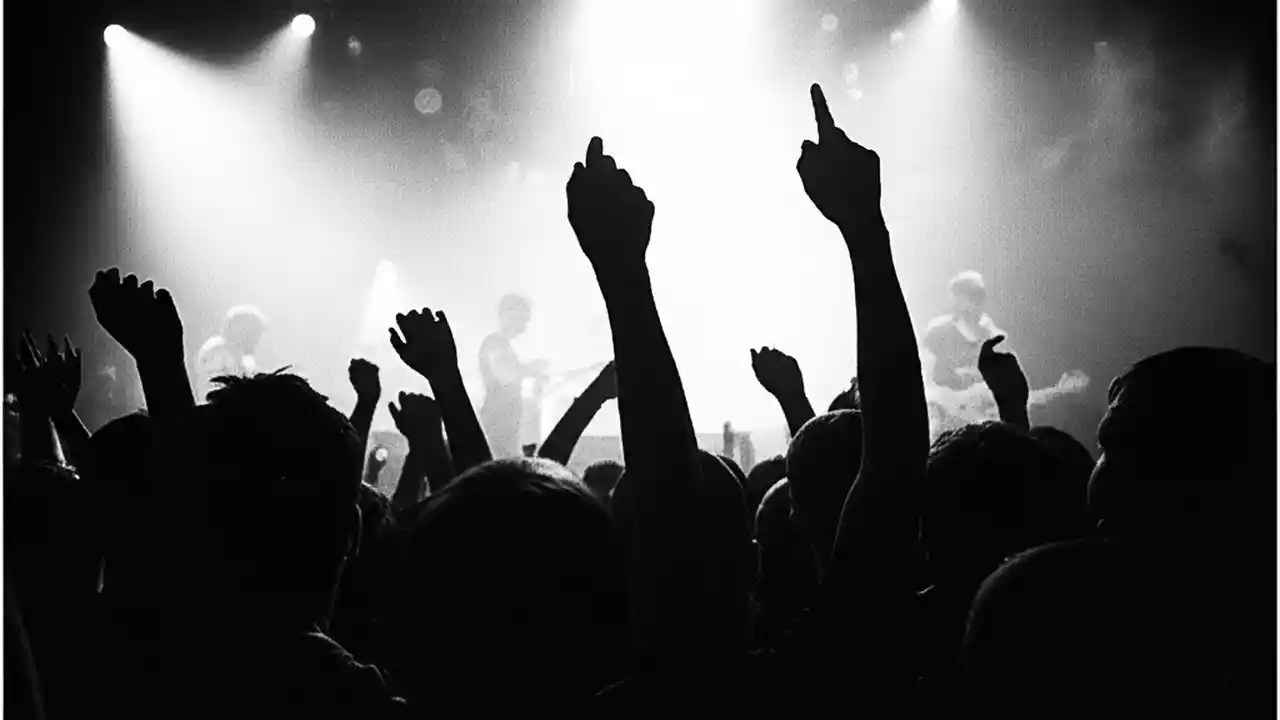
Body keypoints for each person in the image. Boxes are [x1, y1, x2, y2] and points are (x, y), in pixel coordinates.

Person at [920, 271, 1006, 435]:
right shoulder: (938, 331)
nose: (973, 301)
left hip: (984, 415)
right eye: (967, 294)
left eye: (977, 295)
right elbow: (924, 376)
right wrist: (944, 401)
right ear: (956, 297)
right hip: (946, 412)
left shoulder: (993, 335)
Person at [478, 294, 549, 458]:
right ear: (508, 315)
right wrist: (532, 370)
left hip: (505, 418)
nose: (525, 325)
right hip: (499, 419)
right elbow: (506, 376)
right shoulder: (494, 342)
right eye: (523, 319)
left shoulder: (499, 343)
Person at [196, 304, 266, 403]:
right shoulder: (218, 351)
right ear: (241, 329)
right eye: (255, 332)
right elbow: (214, 390)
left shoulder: (245, 359)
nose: (257, 340)